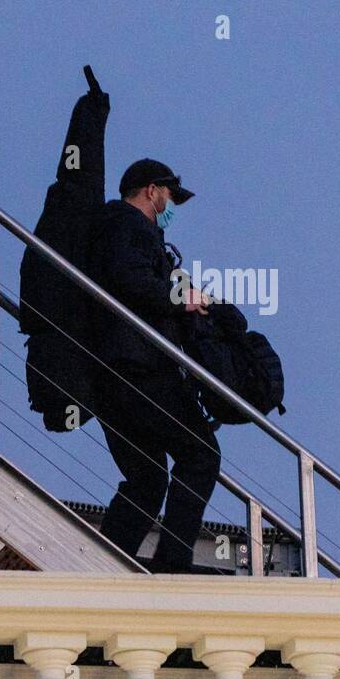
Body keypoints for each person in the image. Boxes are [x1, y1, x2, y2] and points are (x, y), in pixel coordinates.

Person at [90, 159, 220, 572]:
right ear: (151, 190)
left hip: (119, 373)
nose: (171, 206)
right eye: (169, 196)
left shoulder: (122, 230)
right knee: (200, 454)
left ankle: (104, 565)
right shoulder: (127, 226)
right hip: (139, 370)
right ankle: (173, 562)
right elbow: (130, 282)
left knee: (147, 480)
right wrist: (182, 298)